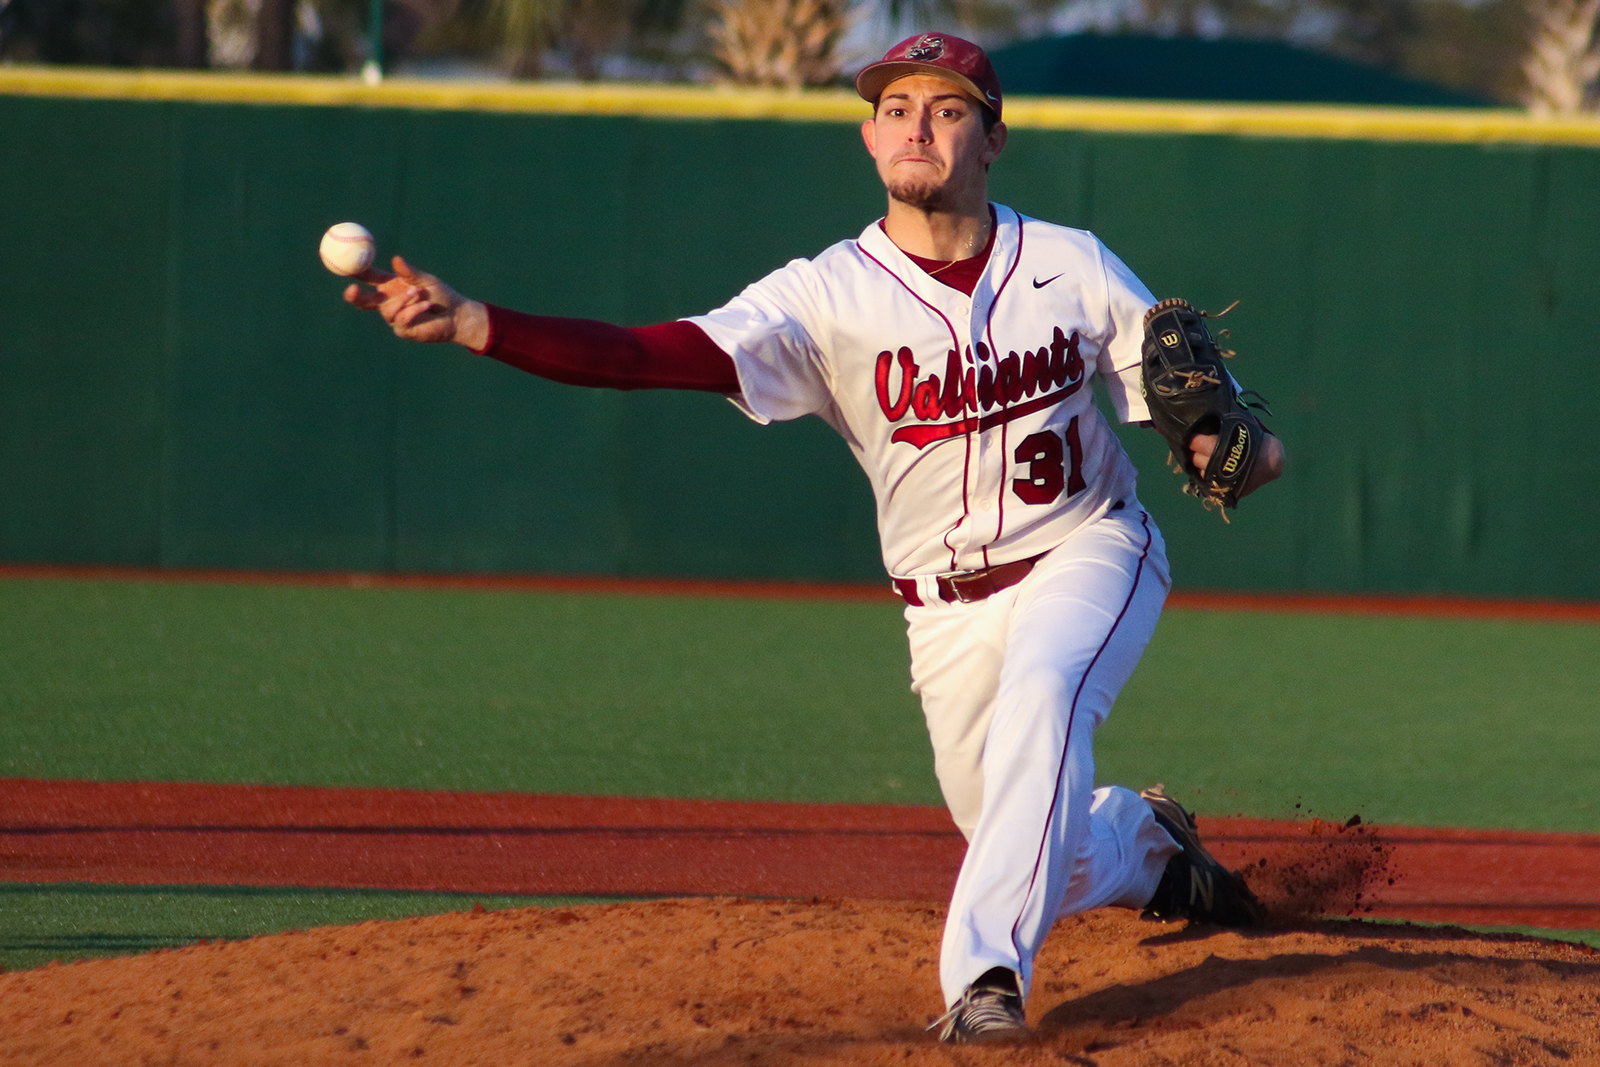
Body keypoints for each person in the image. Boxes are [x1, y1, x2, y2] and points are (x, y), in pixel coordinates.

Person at [342, 32, 1285, 1045]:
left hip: (1088, 546)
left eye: (946, 107)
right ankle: (1147, 843)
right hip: (941, 608)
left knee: (1043, 697)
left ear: (993, 137)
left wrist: (1245, 450)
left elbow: (1214, 426)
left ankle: (983, 978)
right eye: (892, 109)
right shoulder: (824, 294)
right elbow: (646, 355)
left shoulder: (1068, 263)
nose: (915, 125)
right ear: (868, 140)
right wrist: (484, 322)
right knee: (1034, 833)